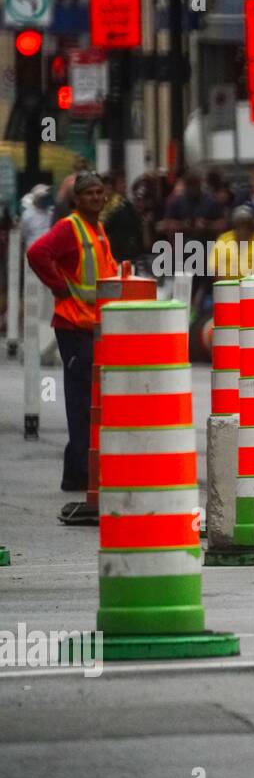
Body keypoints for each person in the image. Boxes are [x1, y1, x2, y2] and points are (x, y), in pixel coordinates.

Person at [25, 171, 118, 520]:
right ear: (76, 199)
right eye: (89, 193)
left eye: (100, 192)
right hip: (74, 325)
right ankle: (79, 467)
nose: (96, 197)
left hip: (92, 325)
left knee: (89, 400)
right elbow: (37, 253)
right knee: (81, 400)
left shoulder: (97, 229)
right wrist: (59, 288)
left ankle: (77, 469)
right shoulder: (71, 227)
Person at [210, 205, 254, 280]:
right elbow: (214, 268)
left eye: (247, 224)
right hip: (228, 287)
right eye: (240, 225)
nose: (244, 229)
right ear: (235, 225)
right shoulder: (223, 239)